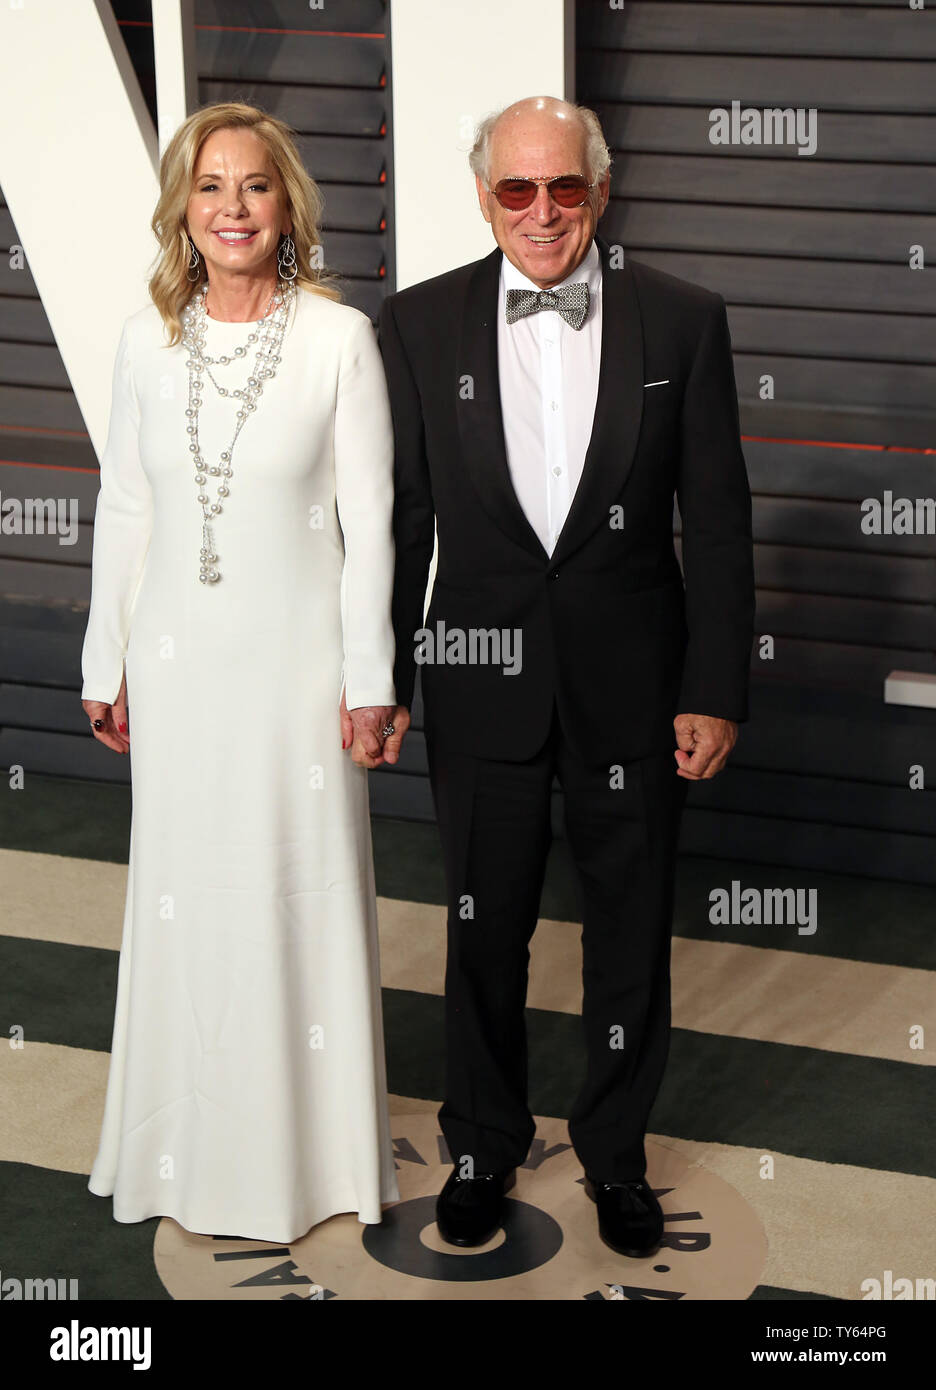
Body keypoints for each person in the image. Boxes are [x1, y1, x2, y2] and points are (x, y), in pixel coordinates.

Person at [378, 96, 755, 1258]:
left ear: (601, 188)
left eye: (565, 189)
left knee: (630, 933)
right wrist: (383, 674)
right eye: (516, 190)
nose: (542, 213)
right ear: (484, 195)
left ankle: (616, 1156)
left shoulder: (684, 321)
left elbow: (722, 522)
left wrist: (716, 686)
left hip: (637, 686)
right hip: (478, 675)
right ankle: (483, 1145)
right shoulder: (420, 323)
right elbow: (403, 523)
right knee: (482, 931)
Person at [80, 102, 408, 1243]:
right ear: (181, 208)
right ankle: (178, 1152)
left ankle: (308, 1164)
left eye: (254, 188)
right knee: (182, 903)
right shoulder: (142, 343)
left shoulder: (339, 340)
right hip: (176, 673)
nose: (232, 208)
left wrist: (372, 679)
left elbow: (373, 524)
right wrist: (105, 659)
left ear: (287, 209)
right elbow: (125, 506)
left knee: (294, 897)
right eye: (210, 187)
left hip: (295, 682)